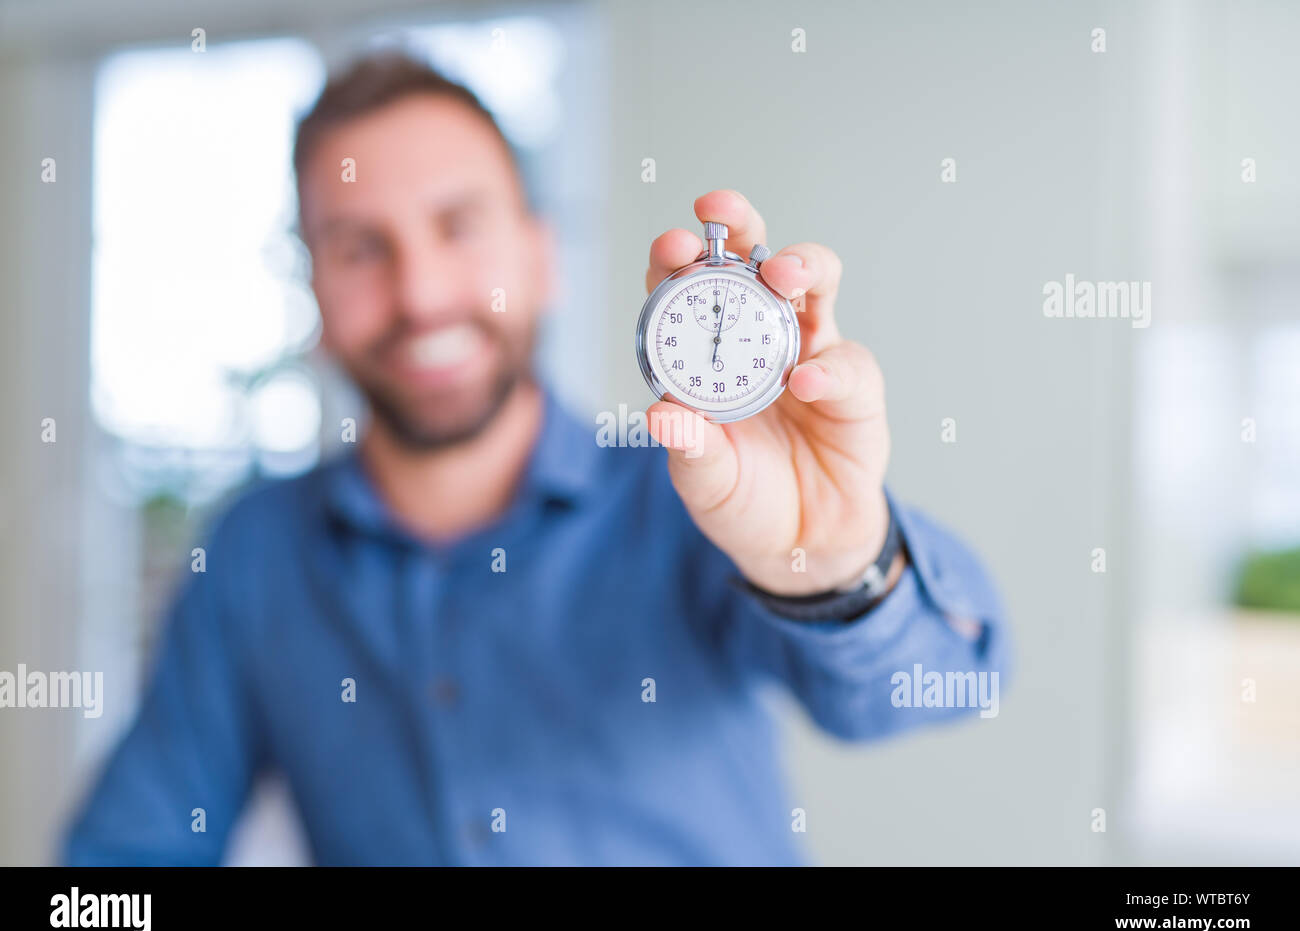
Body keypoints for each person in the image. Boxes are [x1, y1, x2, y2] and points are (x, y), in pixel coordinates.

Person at [61, 52, 1011, 866]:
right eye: (359, 249)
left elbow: (946, 688)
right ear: (312, 289)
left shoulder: (690, 501)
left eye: (458, 225)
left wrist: (836, 561)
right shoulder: (255, 556)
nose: (422, 293)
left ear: (541, 256)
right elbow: (111, 877)